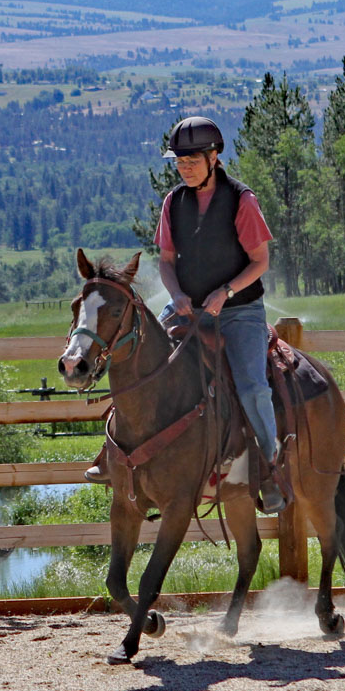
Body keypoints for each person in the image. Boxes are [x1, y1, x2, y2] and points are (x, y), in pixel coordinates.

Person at [85, 116, 285, 511]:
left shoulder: (242, 201)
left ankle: (270, 469)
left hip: (239, 310)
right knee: (139, 359)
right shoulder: (173, 202)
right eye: (179, 161)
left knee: (251, 386)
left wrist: (225, 292)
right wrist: (175, 295)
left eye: (191, 159)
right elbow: (167, 260)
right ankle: (109, 455)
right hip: (187, 305)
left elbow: (260, 261)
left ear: (214, 157)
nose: (184, 167)